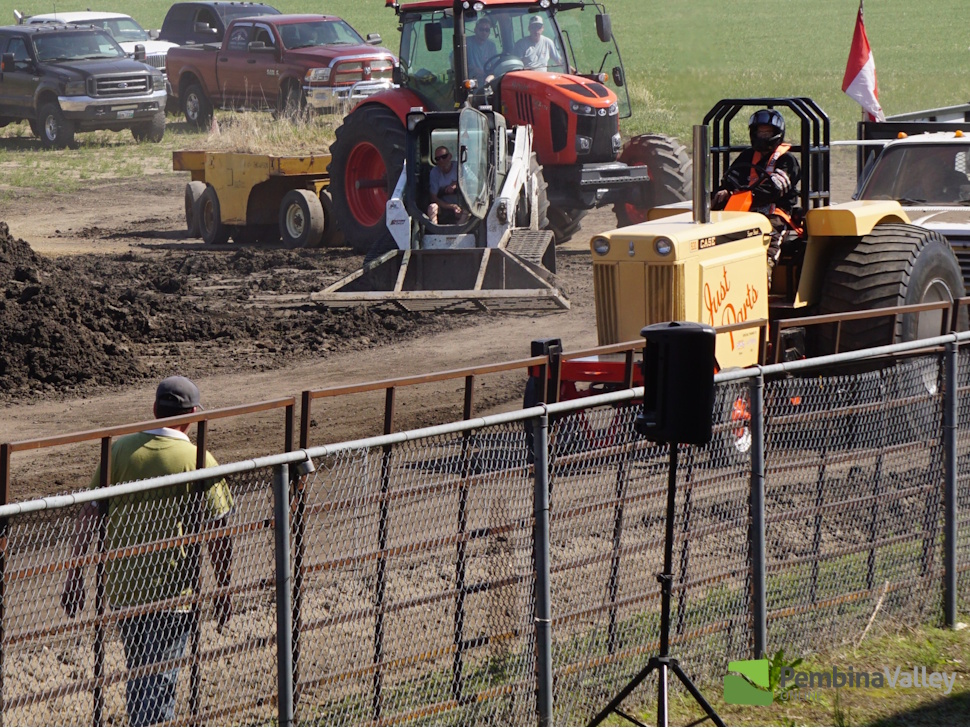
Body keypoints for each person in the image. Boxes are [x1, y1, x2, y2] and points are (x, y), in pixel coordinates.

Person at [61, 376, 234, 727]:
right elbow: (220, 531)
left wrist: (74, 575)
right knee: (159, 682)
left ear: (155, 410)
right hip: (174, 593)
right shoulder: (199, 459)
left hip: (125, 589)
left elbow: (88, 516)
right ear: (193, 416)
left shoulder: (119, 451)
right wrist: (225, 585)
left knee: (142, 673)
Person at [712, 109, 801, 281]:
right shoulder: (746, 156)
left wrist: (743, 193)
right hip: (740, 212)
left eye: (767, 132)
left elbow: (774, 189)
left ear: (777, 134)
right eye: (760, 131)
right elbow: (731, 178)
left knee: (769, 240)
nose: (763, 135)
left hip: (774, 213)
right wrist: (724, 192)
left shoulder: (787, 161)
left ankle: (763, 275)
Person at [427, 145, 464, 224]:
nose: (441, 160)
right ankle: (435, 233)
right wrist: (451, 206)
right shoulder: (434, 172)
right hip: (444, 206)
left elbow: (473, 184)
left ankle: (459, 232)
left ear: (450, 156)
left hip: (462, 204)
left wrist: (456, 184)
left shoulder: (460, 167)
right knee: (432, 208)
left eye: (444, 157)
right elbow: (433, 197)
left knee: (470, 210)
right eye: (438, 159)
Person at [465, 17, 498, 85]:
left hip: (486, 79)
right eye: (481, 29)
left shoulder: (491, 45)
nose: (484, 32)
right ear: (475, 30)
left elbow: (495, 65)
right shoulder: (466, 43)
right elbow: (454, 60)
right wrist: (472, 69)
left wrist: (491, 76)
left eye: (487, 30)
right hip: (469, 80)